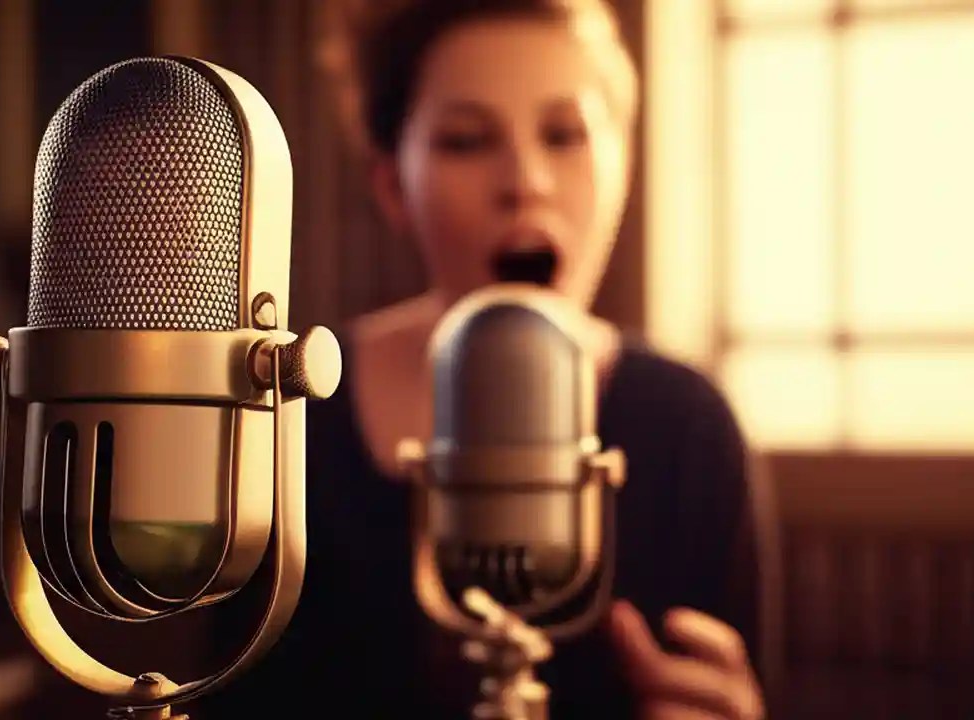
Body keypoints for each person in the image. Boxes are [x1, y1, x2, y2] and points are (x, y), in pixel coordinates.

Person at [203, 1, 772, 717]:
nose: (526, 180)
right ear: (392, 184)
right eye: (467, 141)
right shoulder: (290, 405)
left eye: (564, 134)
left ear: (623, 161)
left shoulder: (688, 426)